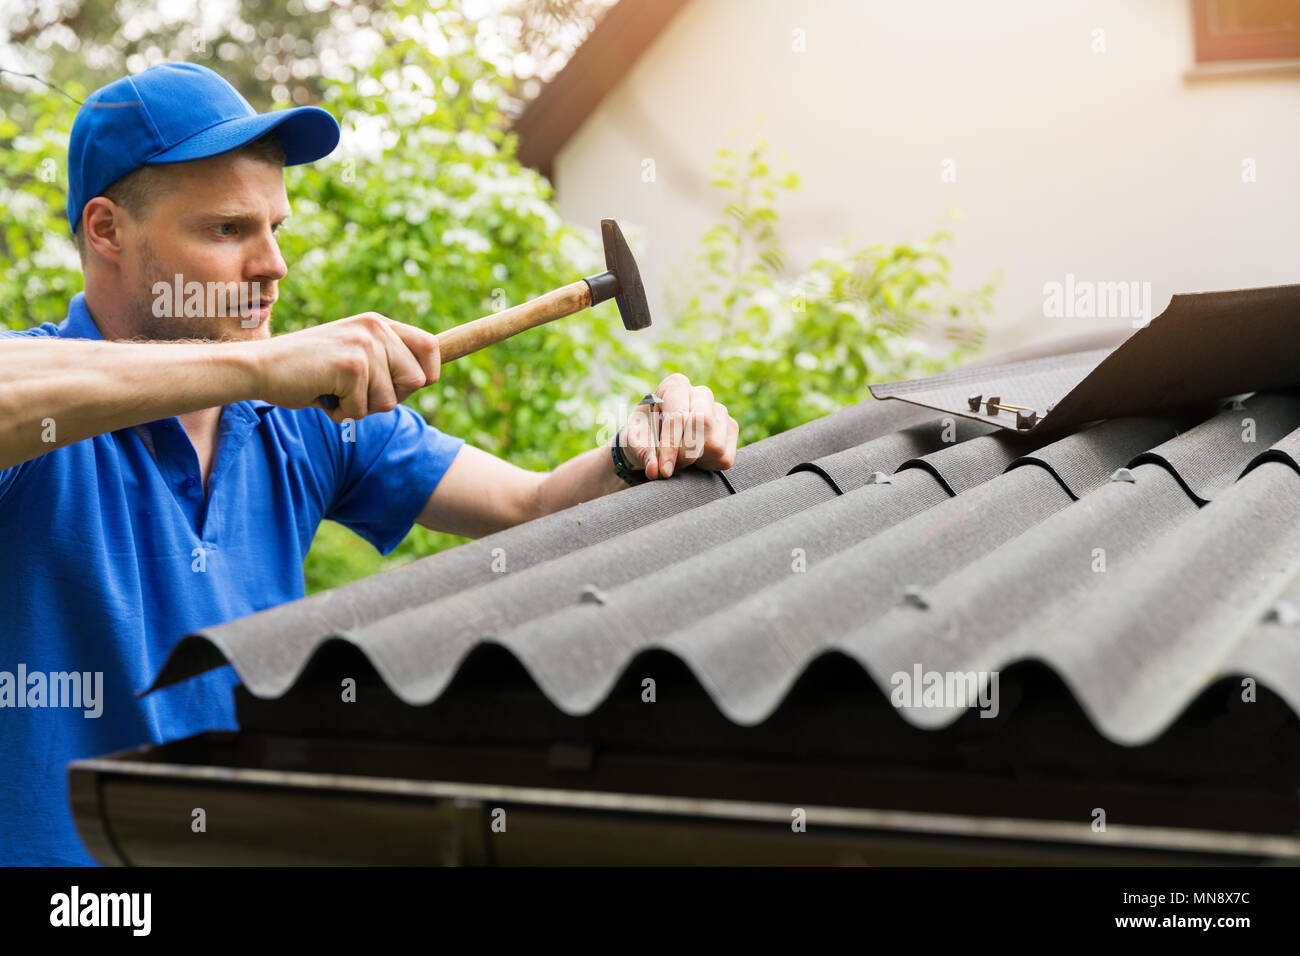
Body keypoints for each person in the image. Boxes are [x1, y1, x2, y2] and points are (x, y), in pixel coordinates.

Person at [0, 62, 738, 865]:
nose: (272, 265)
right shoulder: (41, 398)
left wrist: (639, 450)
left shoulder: (306, 422)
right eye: (226, 230)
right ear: (107, 230)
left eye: (275, 227)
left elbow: (534, 508)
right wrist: (261, 367)